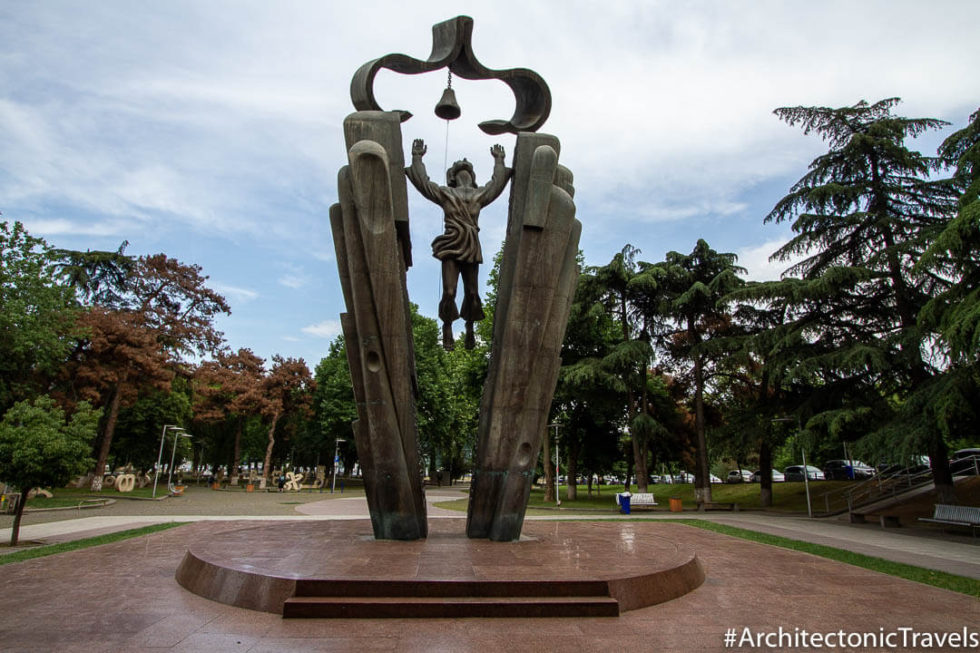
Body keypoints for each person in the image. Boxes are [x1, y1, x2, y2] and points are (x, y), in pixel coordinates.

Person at [406, 139, 511, 349]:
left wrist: (499, 161)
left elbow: (497, 184)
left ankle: (470, 326)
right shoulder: (446, 193)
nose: (464, 166)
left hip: (471, 244)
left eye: (468, 168)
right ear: (452, 175)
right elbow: (424, 183)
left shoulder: (479, 194)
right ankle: (447, 325)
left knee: (472, 293)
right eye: (460, 168)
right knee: (450, 292)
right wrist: (417, 158)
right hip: (451, 244)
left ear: (472, 176)